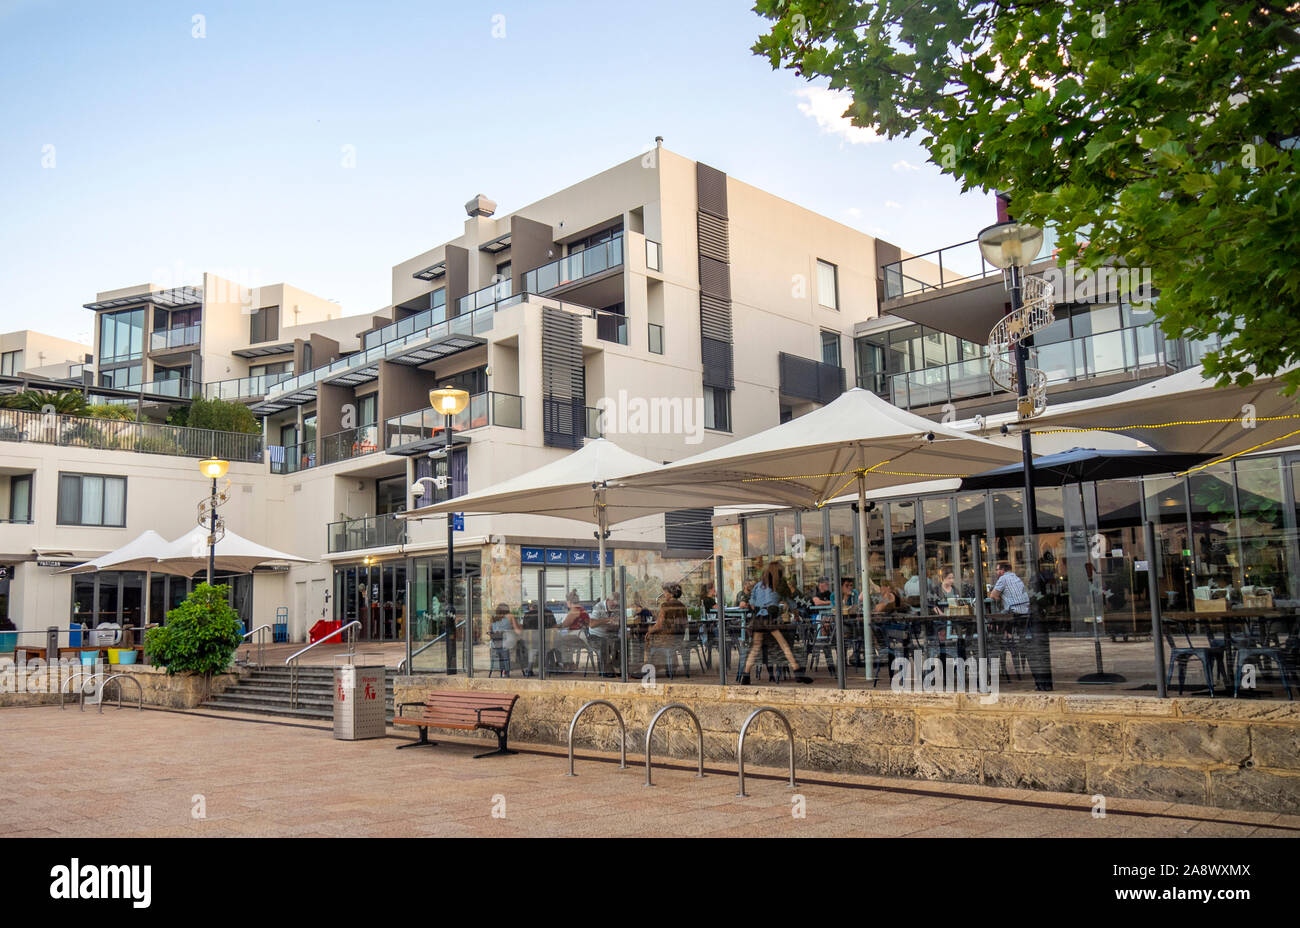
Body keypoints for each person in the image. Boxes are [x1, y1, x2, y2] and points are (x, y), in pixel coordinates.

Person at [741, 561, 812, 685]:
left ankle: (746, 676)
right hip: (769, 619)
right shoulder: (779, 585)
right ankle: (797, 672)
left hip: (757, 620)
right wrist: (795, 615)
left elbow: (752, 603)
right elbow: (791, 603)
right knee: (784, 645)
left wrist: (760, 607)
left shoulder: (758, 585)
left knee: (755, 648)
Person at [644, 582, 687, 674]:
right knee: (660, 639)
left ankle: (649, 669)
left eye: (665, 592)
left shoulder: (665, 606)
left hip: (667, 640)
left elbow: (660, 625)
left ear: (671, 593)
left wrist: (650, 630)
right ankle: (670, 666)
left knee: (648, 639)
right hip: (679, 639)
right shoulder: (683, 606)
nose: (664, 594)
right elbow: (685, 624)